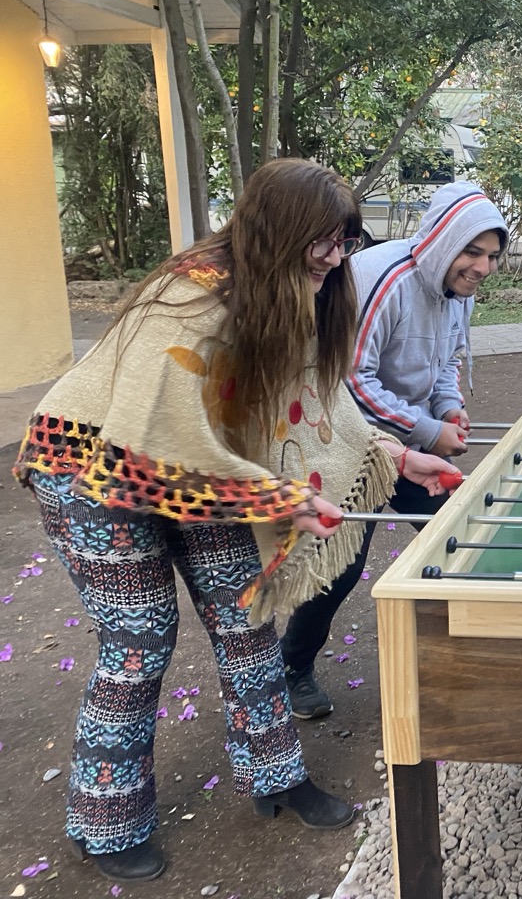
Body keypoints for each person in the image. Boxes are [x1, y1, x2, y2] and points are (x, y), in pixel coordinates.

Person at [12, 159, 459, 882]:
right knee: (140, 638)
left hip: (209, 471)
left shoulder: (293, 291)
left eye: (345, 240)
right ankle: (103, 819)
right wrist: (279, 497)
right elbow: (156, 438)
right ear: (276, 230)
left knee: (244, 617)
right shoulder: (190, 298)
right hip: (92, 467)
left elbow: (316, 408)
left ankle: (276, 778)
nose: (336, 257)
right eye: (322, 241)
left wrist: (398, 457)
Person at [278, 181, 507, 718]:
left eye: (492, 256)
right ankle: (292, 668)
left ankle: (481, 647)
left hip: (411, 438)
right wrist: (427, 429)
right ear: (444, 242)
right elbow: (350, 383)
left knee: (459, 528)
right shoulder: (383, 280)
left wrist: (448, 408)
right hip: (348, 438)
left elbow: (448, 361)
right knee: (341, 565)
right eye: (473, 252)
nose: (483, 267)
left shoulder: (458, 290)